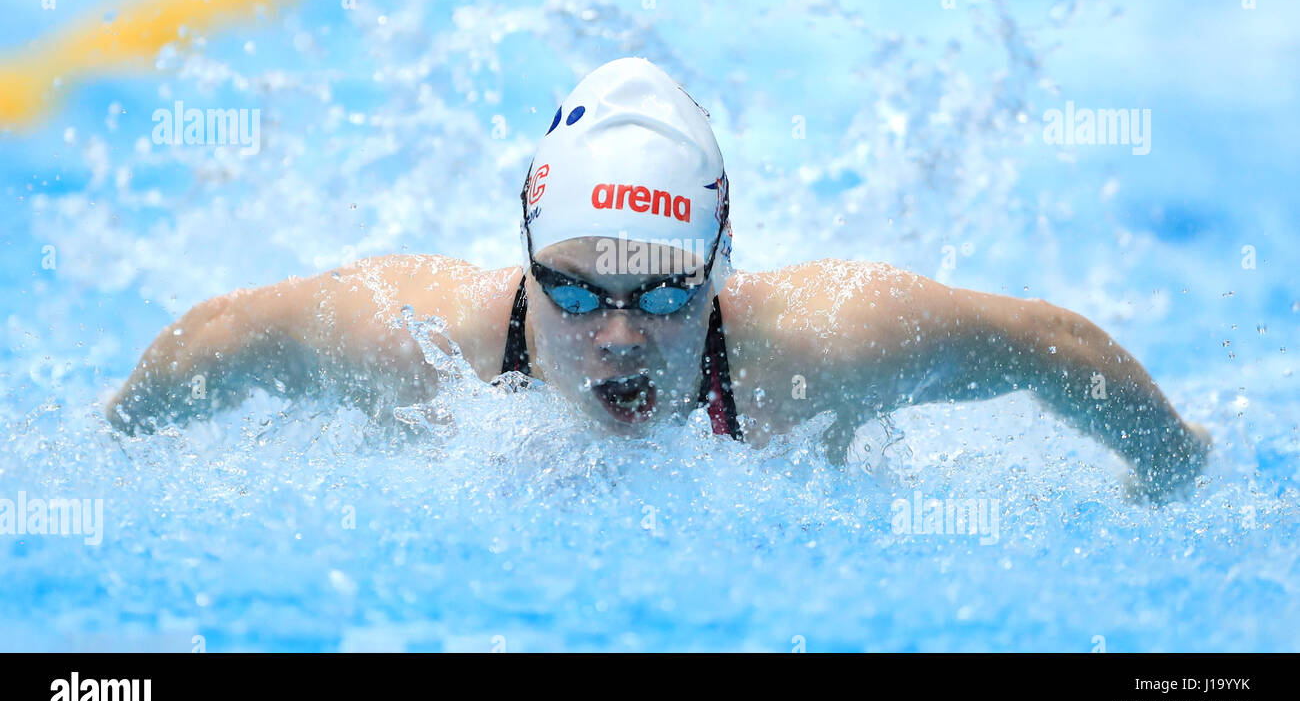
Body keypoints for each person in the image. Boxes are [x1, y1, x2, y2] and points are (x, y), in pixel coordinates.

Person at [104, 57, 1211, 500]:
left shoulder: (818, 345)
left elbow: (1045, 341)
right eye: (578, 290)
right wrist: (110, 447)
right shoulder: (413, 336)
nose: (621, 336)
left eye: (666, 292)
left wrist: (1171, 470)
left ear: (722, 271)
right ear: (527, 262)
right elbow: (217, 334)